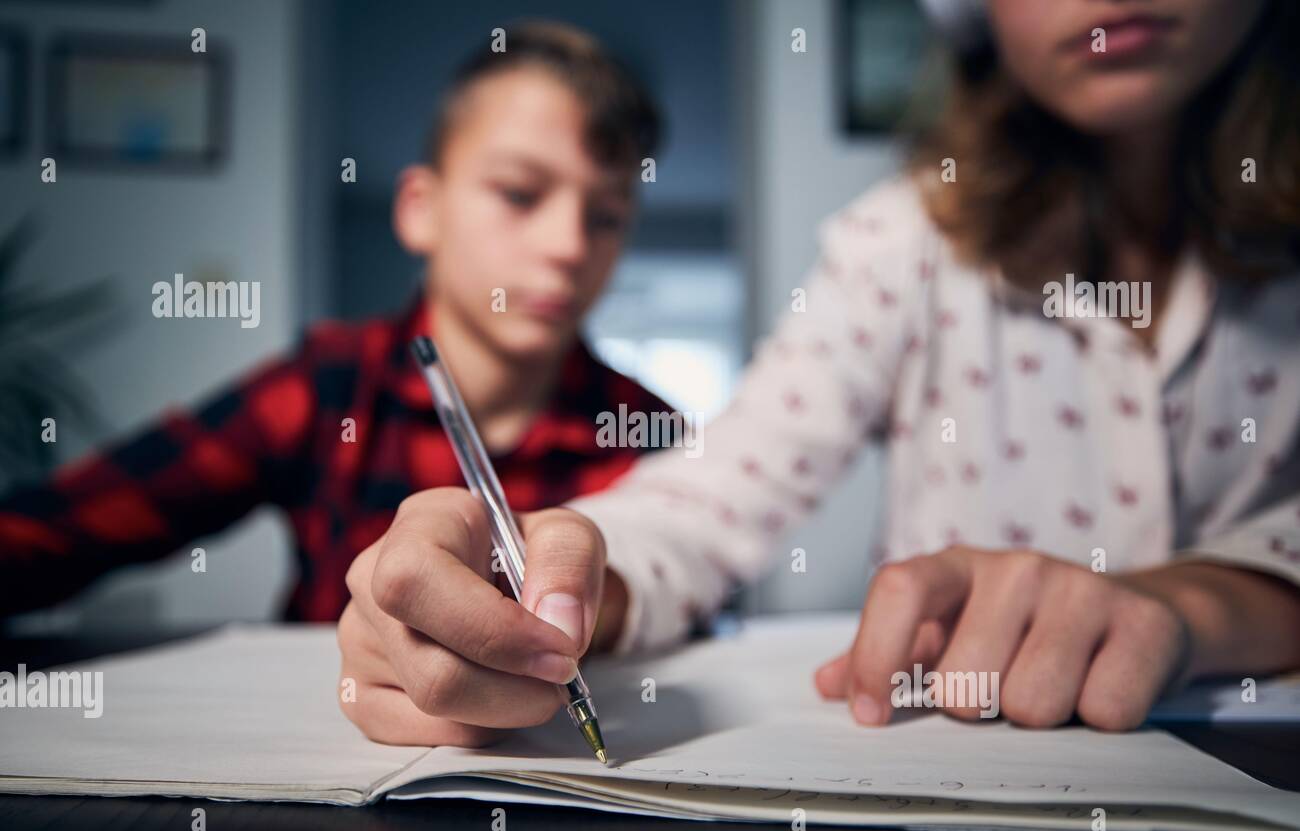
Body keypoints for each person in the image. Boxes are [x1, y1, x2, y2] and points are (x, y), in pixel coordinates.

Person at [337, 0, 1300, 747]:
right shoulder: (904, 246)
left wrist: (1205, 605)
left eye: (609, 211)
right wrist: (561, 575)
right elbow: (705, 506)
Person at [0, 22, 672, 629]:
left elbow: (690, 615)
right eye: (520, 194)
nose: (569, 245)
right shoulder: (330, 387)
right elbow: (63, 530)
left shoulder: (651, 431)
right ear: (420, 210)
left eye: (607, 216)